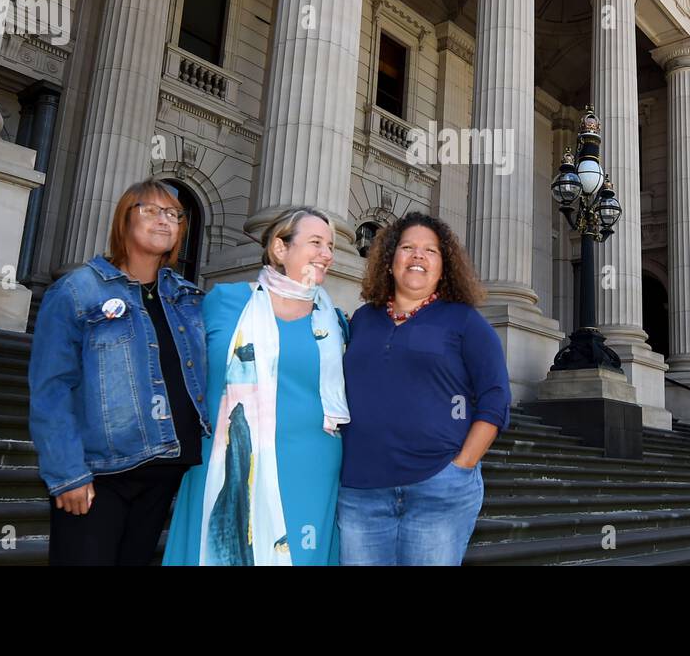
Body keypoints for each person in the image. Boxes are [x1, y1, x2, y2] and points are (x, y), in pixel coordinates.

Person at [29, 179, 209, 566]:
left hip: (167, 471)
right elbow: (52, 387)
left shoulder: (187, 298)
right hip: (101, 473)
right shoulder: (78, 290)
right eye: (151, 210)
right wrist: (66, 472)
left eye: (174, 214)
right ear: (124, 219)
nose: (165, 221)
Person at [162, 207, 349, 565]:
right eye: (315, 243)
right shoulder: (225, 302)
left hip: (310, 466)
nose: (326, 254)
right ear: (280, 249)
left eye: (330, 246)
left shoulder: (335, 322)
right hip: (228, 457)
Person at [338, 211, 511, 566]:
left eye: (430, 251)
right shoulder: (362, 320)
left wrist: (463, 464)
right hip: (360, 492)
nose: (418, 256)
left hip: (438, 487)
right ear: (389, 262)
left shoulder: (464, 320)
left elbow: (495, 397)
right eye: (407, 247)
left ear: (443, 267)